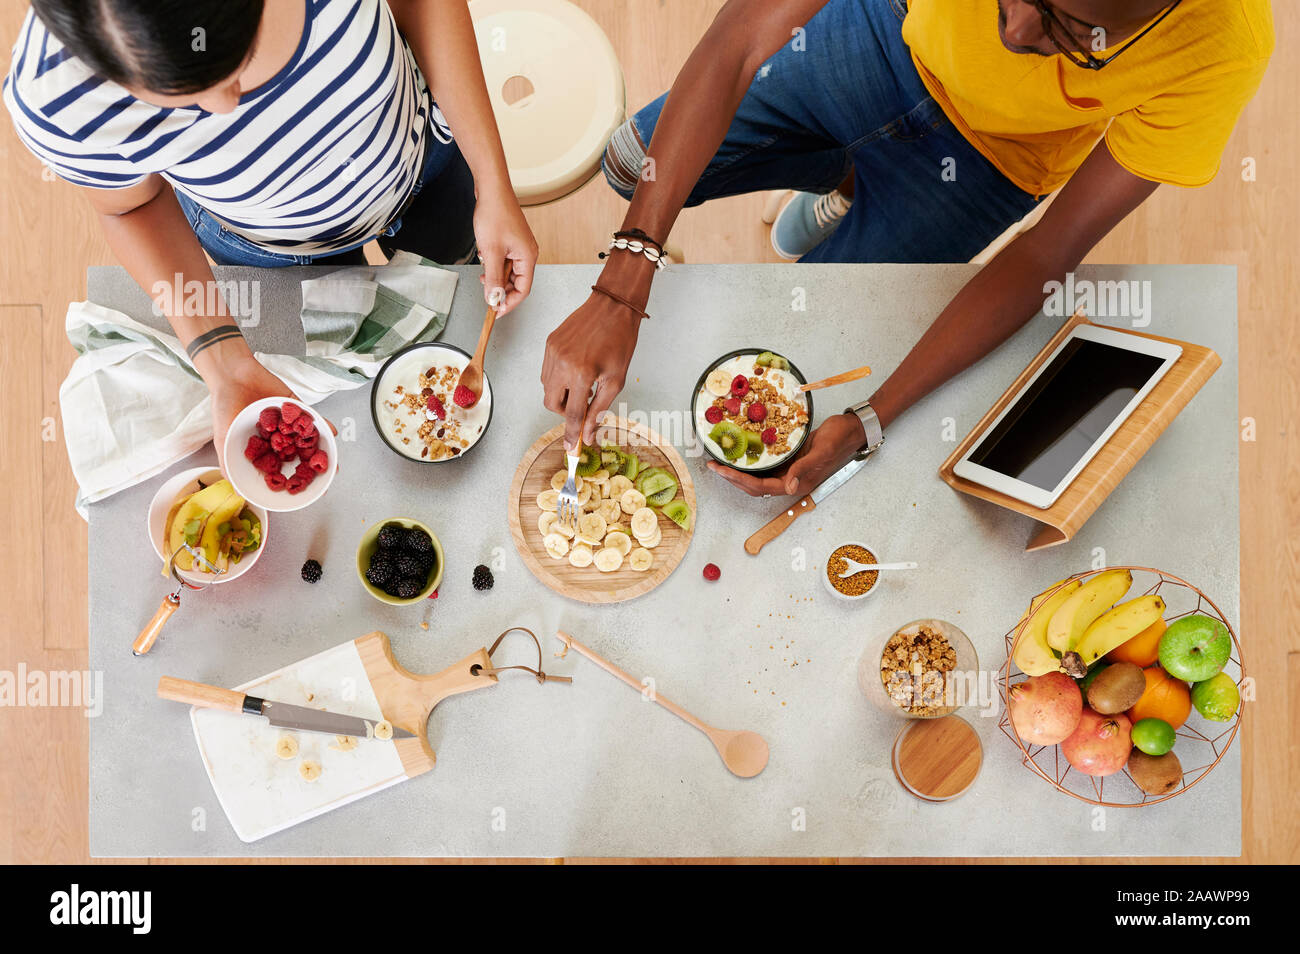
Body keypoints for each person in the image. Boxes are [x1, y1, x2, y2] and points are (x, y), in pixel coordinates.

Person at [541, 0, 1271, 494]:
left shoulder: (1221, 48)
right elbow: (737, 44)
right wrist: (621, 283)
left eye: (1070, 31)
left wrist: (870, 419)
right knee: (631, 163)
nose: (1014, 31)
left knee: (805, 339)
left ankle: (846, 190)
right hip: (883, 35)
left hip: (995, 162)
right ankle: (845, 184)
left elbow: (1046, 256)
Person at [4, 0, 537, 467]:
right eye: (175, 99)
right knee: (344, 340)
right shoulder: (55, 97)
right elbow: (129, 207)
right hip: (270, 245)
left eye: (239, 61)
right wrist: (225, 362)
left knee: (459, 272)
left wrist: (493, 185)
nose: (224, 107)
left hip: (426, 157)